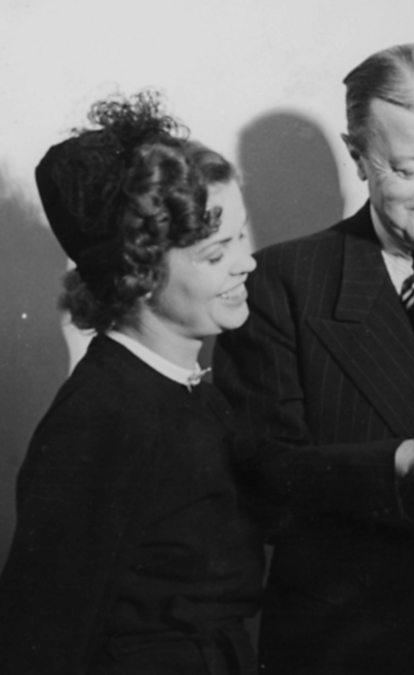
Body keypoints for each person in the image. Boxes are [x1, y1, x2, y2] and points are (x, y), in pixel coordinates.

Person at [213, 43, 414, 673]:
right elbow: (257, 473)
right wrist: (401, 460)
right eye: (411, 168)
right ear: (358, 157)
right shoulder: (282, 283)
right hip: (342, 644)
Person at [0, 93, 262, 673]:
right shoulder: (101, 415)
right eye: (218, 252)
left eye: (243, 237)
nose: (248, 262)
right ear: (138, 275)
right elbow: (40, 633)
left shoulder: (186, 388)